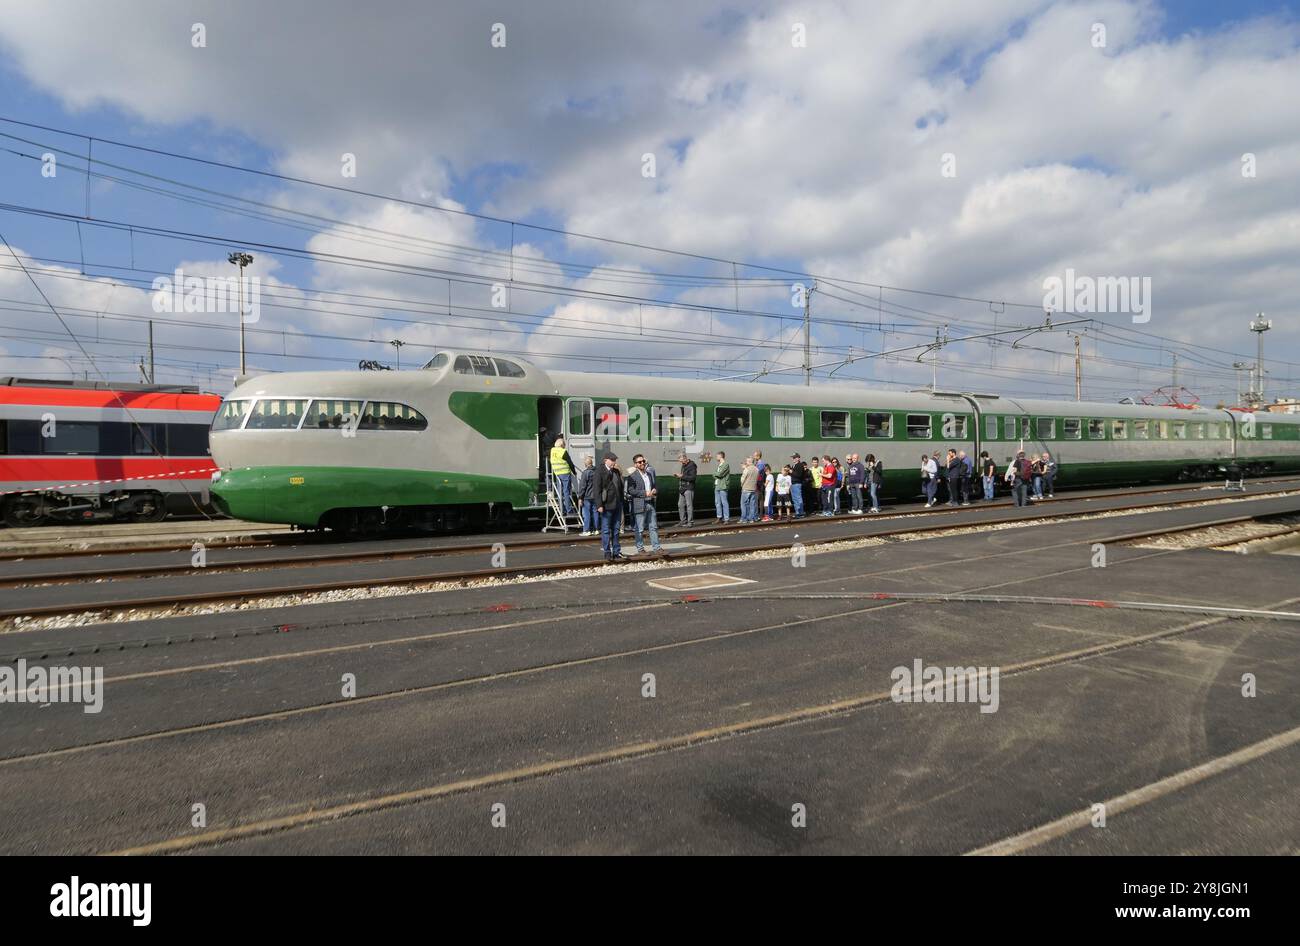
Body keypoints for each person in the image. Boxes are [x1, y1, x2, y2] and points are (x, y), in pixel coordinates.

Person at [625, 454, 663, 554]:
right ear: (635, 464)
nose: (642, 463)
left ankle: (657, 547)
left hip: (650, 503)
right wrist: (644, 493)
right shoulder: (632, 476)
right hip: (640, 504)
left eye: (643, 461)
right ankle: (640, 548)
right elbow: (630, 490)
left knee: (653, 527)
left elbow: (655, 486)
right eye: (639, 462)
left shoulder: (649, 474)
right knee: (640, 528)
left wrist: (655, 490)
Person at [595, 452, 626, 560]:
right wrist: (599, 505)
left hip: (617, 504)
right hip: (606, 505)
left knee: (616, 529)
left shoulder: (616, 472)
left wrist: (622, 501)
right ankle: (607, 551)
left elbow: (620, 487)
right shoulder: (599, 471)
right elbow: (597, 489)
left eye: (615, 460)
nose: (614, 462)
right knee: (606, 530)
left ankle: (616, 551)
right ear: (605, 460)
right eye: (612, 460)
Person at [549, 436, 576, 516]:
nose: (564, 446)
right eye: (564, 444)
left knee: (560, 492)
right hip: (565, 473)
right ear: (562, 445)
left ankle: (562, 510)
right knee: (566, 492)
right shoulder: (563, 451)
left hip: (557, 473)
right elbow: (570, 463)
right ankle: (569, 510)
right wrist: (574, 472)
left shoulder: (552, 450)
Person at [576, 454, 597, 536]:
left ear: (585, 464)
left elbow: (582, 486)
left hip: (587, 497)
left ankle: (587, 530)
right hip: (595, 496)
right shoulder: (596, 471)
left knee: (587, 513)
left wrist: (580, 497)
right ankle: (596, 529)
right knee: (595, 513)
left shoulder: (585, 473)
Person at [677, 452, 697, 526]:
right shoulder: (683, 465)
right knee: (680, 504)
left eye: (681, 461)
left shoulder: (692, 465)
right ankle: (683, 521)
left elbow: (693, 478)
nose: (681, 463)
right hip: (682, 488)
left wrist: (681, 476)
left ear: (685, 458)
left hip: (689, 488)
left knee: (689, 505)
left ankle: (690, 522)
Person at [740, 456, 759, 523]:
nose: (746, 462)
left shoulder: (746, 469)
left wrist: (742, 485)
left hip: (746, 488)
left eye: (747, 461)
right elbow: (756, 479)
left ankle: (744, 519)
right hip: (753, 489)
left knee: (744, 504)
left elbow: (742, 479)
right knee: (752, 504)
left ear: (749, 462)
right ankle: (751, 519)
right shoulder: (757, 469)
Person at [713, 451, 731, 522]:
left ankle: (726, 518)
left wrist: (716, 474)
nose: (716, 457)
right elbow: (715, 475)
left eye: (717, 456)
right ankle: (719, 517)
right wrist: (716, 474)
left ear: (721, 456)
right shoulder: (719, 465)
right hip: (717, 485)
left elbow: (719, 474)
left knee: (724, 502)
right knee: (717, 502)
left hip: (723, 486)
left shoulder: (726, 464)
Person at [790, 453, 807, 518]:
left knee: (798, 498)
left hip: (797, 484)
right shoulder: (794, 465)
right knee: (795, 499)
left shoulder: (800, 465)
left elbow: (799, 475)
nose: (793, 459)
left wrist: (792, 472)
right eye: (792, 457)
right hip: (793, 484)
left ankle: (801, 512)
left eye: (794, 457)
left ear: (798, 458)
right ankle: (798, 512)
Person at [762, 457, 776, 521]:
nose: (766, 472)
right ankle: (771, 516)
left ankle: (767, 516)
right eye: (765, 471)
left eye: (766, 471)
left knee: (766, 503)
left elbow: (765, 484)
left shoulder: (769, 476)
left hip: (769, 491)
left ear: (769, 470)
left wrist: (761, 482)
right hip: (770, 491)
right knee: (769, 503)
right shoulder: (771, 476)